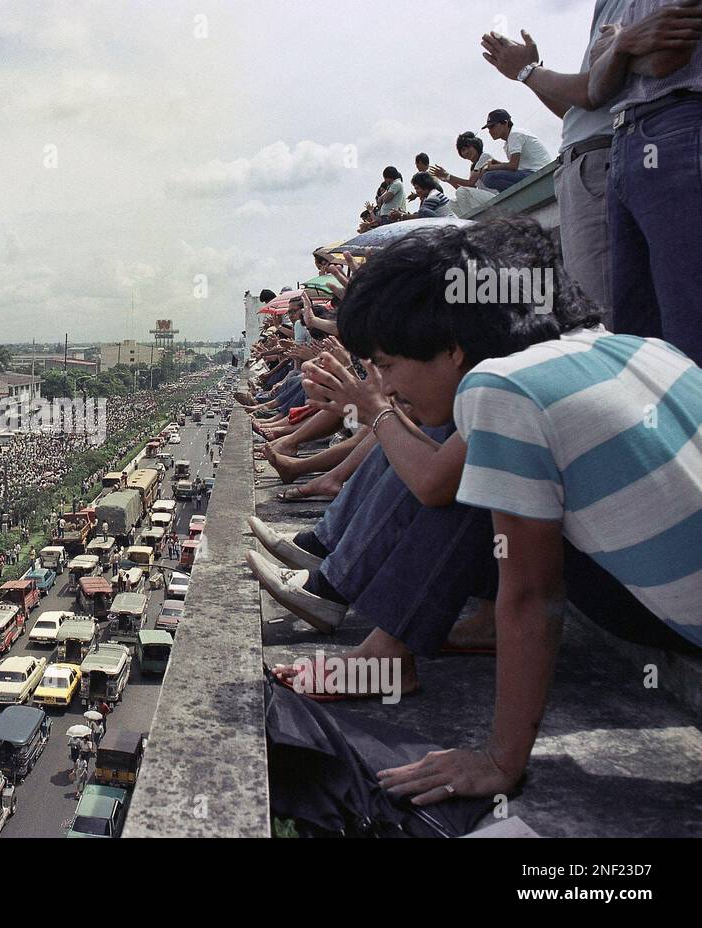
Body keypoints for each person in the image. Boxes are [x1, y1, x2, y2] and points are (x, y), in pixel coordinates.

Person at [299, 219, 702, 804]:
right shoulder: (637, 345)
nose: (383, 384)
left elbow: (533, 595)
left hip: (667, 618)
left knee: (467, 478)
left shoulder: (500, 388)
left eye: (387, 364)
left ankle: (386, 656)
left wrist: (498, 760)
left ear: (454, 348)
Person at [479, 2, 627, 311]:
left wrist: (529, 71)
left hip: (597, 161)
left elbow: (590, 93)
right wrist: (528, 75)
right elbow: (577, 113)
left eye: (493, 126)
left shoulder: (516, 137)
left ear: (504, 125)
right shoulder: (607, 8)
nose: (491, 131)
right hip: (580, 163)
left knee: (597, 308)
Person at [588, 0, 702, 364]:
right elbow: (595, 87)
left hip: (677, 123)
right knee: (638, 336)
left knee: (688, 319)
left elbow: (664, 60)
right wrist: (627, 44)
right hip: (628, 138)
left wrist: (616, 49)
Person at [478, 109, 553, 191]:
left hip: (537, 172)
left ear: (505, 123)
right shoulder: (510, 140)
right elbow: (516, 166)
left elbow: (513, 166)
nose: (490, 131)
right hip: (531, 172)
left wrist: (489, 167)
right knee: (491, 178)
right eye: (488, 128)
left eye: (492, 126)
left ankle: (521, 193)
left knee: (489, 177)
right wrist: (497, 164)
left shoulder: (514, 135)